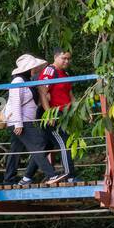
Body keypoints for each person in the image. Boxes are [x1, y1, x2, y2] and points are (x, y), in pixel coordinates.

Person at [3, 54, 65, 185]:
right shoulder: (18, 81)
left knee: (15, 150)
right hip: (20, 121)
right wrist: (18, 124)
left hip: (24, 120)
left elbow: (32, 102)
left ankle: (8, 179)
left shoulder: (28, 81)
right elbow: (15, 103)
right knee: (38, 144)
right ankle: (51, 175)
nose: (35, 69)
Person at [38, 47, 78, 182]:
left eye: (68, 58)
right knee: (65, 143)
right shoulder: (50, 71)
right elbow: (42, 92)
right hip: (54, 114)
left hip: (66, 115)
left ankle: (26, 177)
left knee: (44, 147)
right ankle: (70, 176)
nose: (66, 61)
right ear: (55, 57)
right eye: (63, 58)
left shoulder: (65, 74)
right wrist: (49, 114)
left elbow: (70, 95)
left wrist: (82, 111)